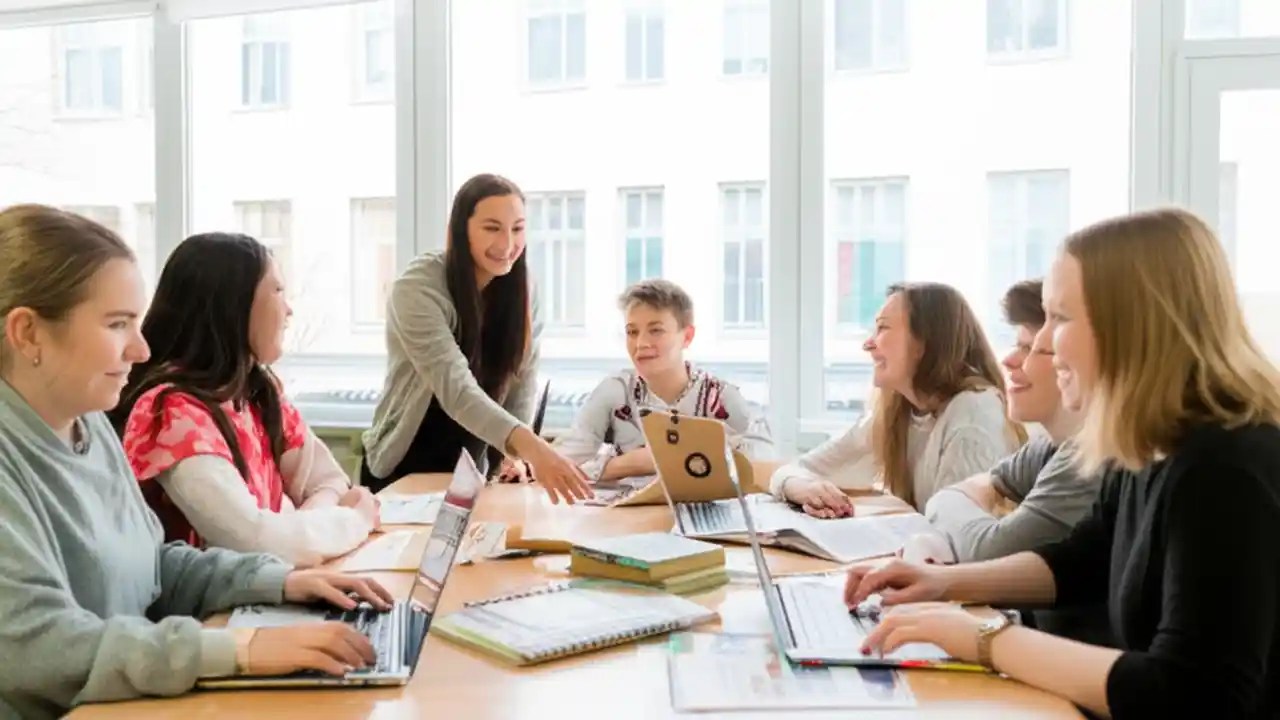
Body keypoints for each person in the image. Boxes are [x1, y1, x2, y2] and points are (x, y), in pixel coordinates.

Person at [845, 208, 1280, 719]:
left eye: (1061, 317)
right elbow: (1080, 562)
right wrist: (942, 584)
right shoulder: (1151, 443)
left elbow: (1194, 693)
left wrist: (987, 640)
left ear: (1132, 325)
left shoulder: (1227, 466)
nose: (1043, 342)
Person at [0, 205, 393, 720]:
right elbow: (41, 652)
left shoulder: (88, 424)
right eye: (118, 325)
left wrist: (278, 581)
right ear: (28, 333)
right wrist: (239, 651)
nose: (141, 349)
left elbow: (154, 568)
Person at [111, 233, 379, 568]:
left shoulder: (254, 392)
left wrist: (300, 527)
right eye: (278, 291)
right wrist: (354, 520)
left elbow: (330, 480)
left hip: (268, 595)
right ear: (233, 303)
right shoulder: (172, 411)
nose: (289, 309)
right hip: (208, 616)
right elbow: (257, 543)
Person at [360, 173, 590, 504]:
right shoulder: (418, 286)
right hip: (403, 467)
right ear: (461, 227)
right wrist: (533, 447)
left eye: (518, 228)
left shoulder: (524, 288)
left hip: (471, 471)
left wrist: (515, 454)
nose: (507, 244)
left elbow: (522, 379)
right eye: (492, 228)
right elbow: (457, 389)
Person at [906, 279, 1108, 646]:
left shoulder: (1093, 458)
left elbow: (990, 552)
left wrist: (945, 507)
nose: (1012, 360)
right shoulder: (1051, 445)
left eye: (1034, 349)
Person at [770, 282, 1024, 517]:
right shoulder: (901, 412)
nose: (868, 344)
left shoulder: (973, 413)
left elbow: (957, 536)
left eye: (882, 327)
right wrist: (803, 487)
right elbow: (793, 469)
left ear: (925, 342)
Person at [552, 279, 774, 482]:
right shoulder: (615, 390)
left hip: (704, 516)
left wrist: (693, 454)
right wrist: (630, 464)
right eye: (632, 332)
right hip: (627, 518)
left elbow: (764, 464)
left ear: (687, 337)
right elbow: (565, 460)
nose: (640, 344)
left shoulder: (720, 398)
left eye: (656, 331)